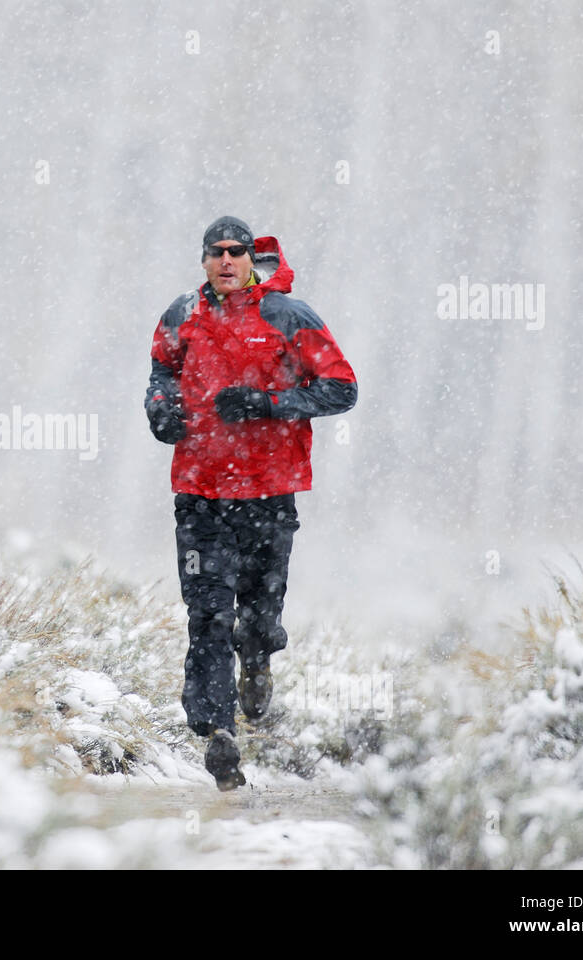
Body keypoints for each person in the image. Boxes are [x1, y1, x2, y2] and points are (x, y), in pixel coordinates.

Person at [144, 216, 357, 790]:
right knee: (207, 617)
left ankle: (258, 660)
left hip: (268, 493)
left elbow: (341, 389)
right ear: (204, 260)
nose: (226, 261)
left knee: (256, 618)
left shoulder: (289, 315)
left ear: (251, 258)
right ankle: (218, 735)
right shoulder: (182, 313)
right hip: (199, 495)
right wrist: (160, 407)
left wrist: (267, 403)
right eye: (215, 253)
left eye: (236, 252)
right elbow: (162, 369)